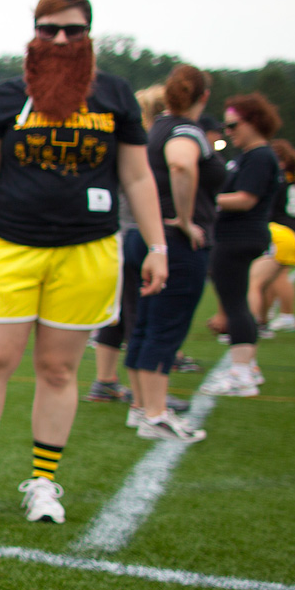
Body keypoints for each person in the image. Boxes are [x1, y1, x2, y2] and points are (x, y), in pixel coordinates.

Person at [0, 0, 167, 523]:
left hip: (88, 251)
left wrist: (157, 246)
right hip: (13, 246)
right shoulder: (7, 96)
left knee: (59, 371)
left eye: (73, 30)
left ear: (89, 36)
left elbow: (136, 175)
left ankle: (43, 481)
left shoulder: (113, 94)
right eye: (49, 29)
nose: (61, 39)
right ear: (34, 34)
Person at [124, 64, 224, 441]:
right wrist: (184, 219)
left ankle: (141, 407)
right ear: (203, 97)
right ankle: (155, 412)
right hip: (173, 242)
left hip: (143, 236)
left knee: (145, 323)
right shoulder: (184, 130)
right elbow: (181, 164)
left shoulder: (156, 128)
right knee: (166, 325)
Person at [86, 84, 167, 404]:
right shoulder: (142, 145)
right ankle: (145, 400)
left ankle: (106, 381)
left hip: (114, 237)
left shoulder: (121, 142)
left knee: (117, 313)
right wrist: (158, 245)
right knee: (138, 315)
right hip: (130, 234)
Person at [206, 94, 284, 397]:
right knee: (237, 303)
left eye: (233, 124)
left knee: (235, 304)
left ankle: (240, 374)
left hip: (238, 237)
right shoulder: (252, 155)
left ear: (253, 121)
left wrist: (205, 202)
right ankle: (247, 367)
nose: (228, 131)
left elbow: (245, 199)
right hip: (241, 235)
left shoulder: (260, 156)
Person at [248, 139, 295, 334]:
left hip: (281, 230)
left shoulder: (280, 176)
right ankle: (267, 318)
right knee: (270, 277)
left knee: (275, 276)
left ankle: (286, 315)